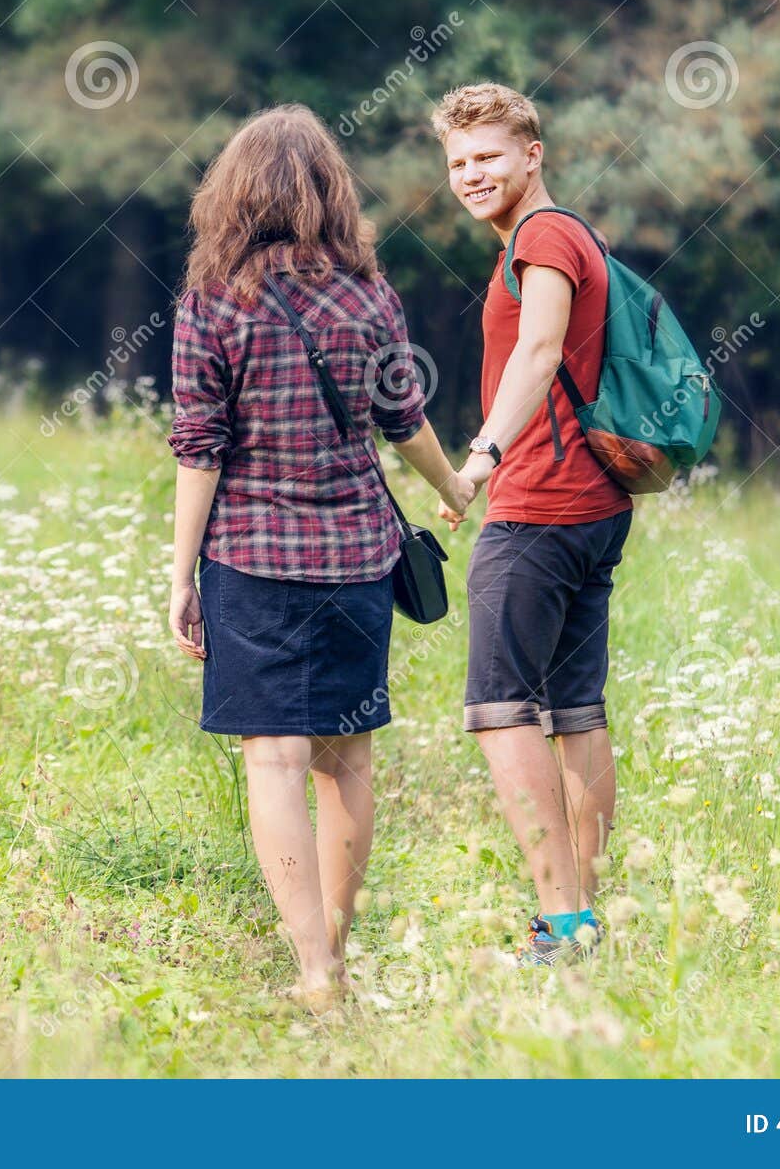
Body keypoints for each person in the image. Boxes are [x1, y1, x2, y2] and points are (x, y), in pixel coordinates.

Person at [167, 103, 474, 1008]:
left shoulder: (213, 301)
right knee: (349, 758)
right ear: (332, 192)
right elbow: (403, 417)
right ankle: (335, 945)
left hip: (253, 559)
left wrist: (180, 575)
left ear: (233, 194)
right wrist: (454, 490)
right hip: (355, 560)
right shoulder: (369, 295)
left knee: (275, 761)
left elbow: (200, 447)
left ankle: (314, 968)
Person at [431, 83, 634, 964]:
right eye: (458, 163)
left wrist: (479, 457)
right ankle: (582, 914)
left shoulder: (545, 237)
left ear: (532, 155)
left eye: (488, 157)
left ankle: (561, 921)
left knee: (502, 709)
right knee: (575, 708)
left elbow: (541, 347)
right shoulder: (561, 234)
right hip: (593, 505)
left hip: (541, 504)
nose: (472, 175)